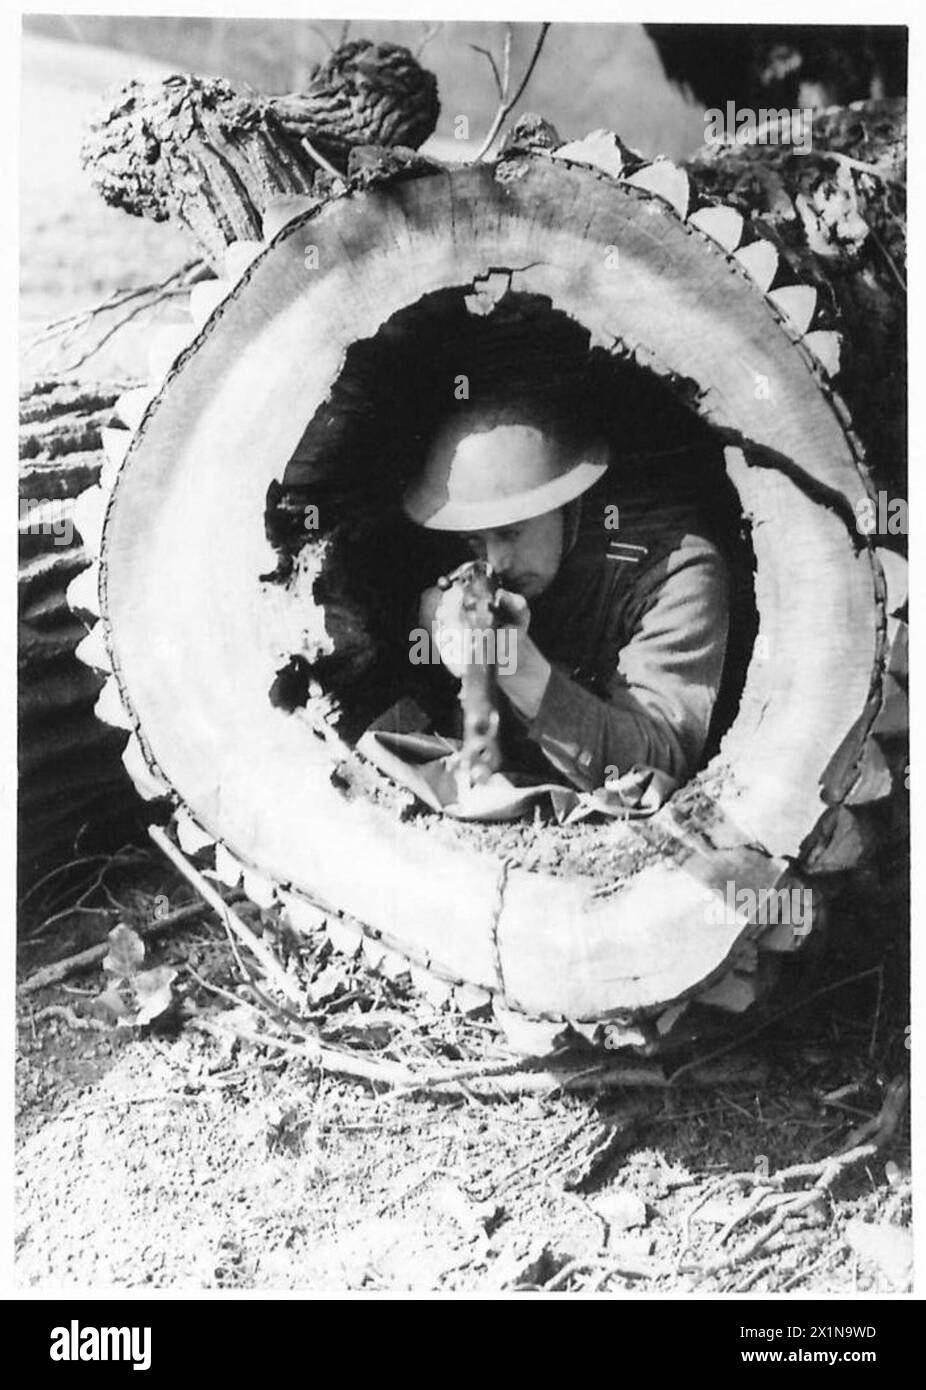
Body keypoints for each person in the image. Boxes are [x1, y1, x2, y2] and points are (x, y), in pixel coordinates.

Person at [400, 395, 731, 794]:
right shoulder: (480, 558)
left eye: (512, 532)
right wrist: (433, 626)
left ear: (568, 502)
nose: (497, 561)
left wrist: (520, 669)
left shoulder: (672, 569)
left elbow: (661, 759)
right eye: (474, 540)